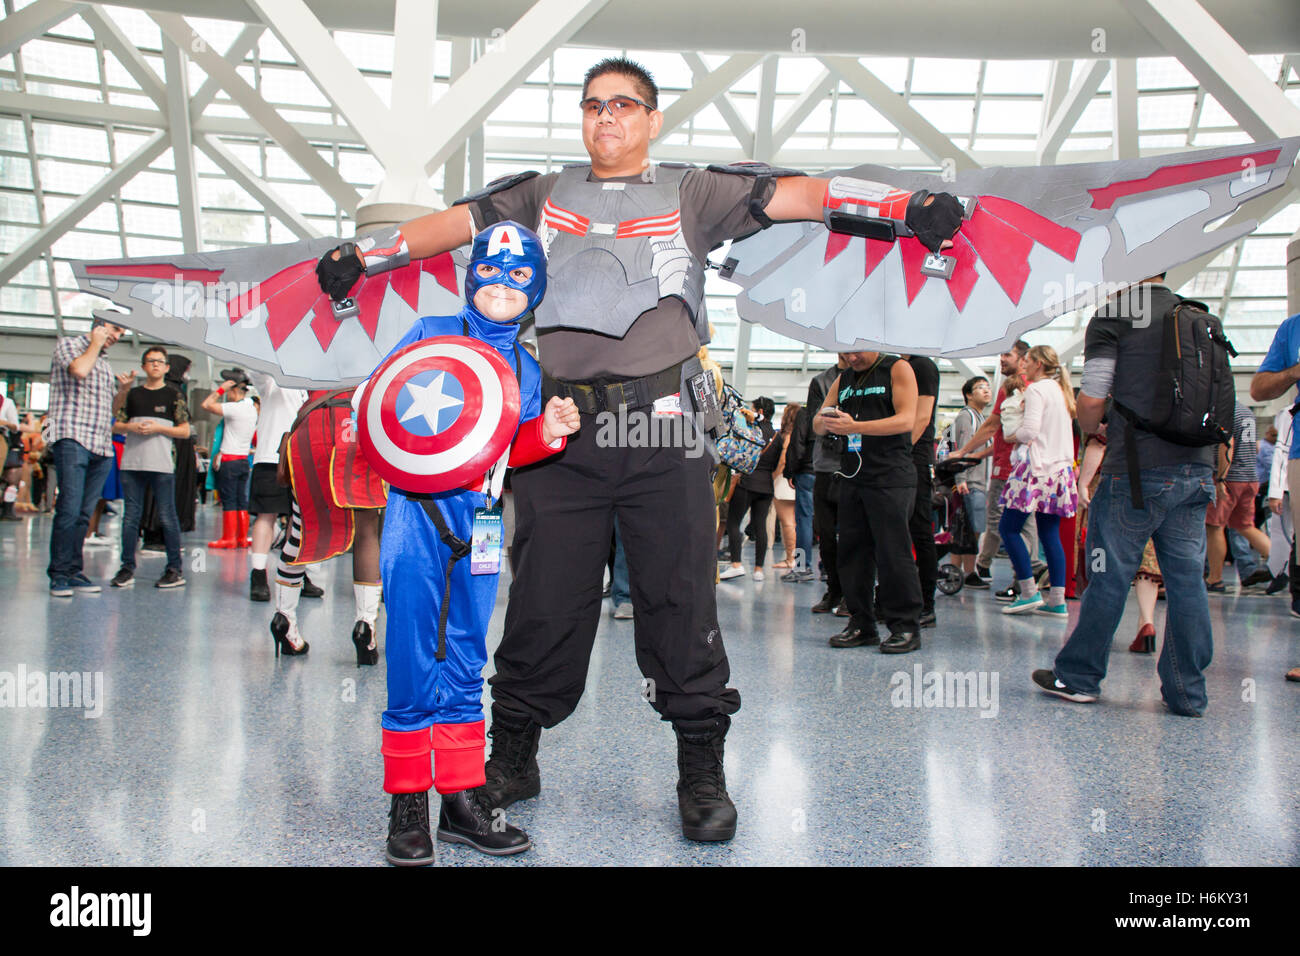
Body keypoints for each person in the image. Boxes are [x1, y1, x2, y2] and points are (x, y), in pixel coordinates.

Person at [315, 56, 963, 842]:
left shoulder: (695, 189)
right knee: (544, 596)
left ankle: (701, 770)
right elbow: (447, 228)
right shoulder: (537, 193)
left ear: (653, 119)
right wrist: (366, 257)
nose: (607, 118)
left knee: (680, 597)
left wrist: (908, 205)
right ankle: (512, 753)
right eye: (592, 106)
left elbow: (810, 197)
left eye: (624, 105)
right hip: (559, 432)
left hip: (665, 428)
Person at [353, 221, 579, 864]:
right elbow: (380, 401)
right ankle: (406, 801)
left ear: (535, 289)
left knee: (465, 656)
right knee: (410, 650)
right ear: (470, 272)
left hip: (480, 521)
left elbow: (510, 451)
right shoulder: (430, 333)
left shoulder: (527, 367)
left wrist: (551, 430)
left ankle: (459, 797)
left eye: (519, 275)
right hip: (415, 515)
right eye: (491, 270)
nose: (503, 285)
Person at [1035, 275, 1216, 716]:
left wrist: (1091, 425)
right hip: (1196, 469)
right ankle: (1188, 693)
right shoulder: (1198, 316)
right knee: (1188, 580)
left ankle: (1078, 677)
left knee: (1108, 572)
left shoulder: (1113, 317)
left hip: (1136, 472)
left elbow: (1094, 396)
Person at [814, 350, 922, 653]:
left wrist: (856, 427)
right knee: (852, 553)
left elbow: (906, 420)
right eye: (845, 352)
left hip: (889, 475)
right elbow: (817, 422)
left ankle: (905, 626)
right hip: (852, 475)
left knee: (893, 553)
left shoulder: (896, 368)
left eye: (857, 350)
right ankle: (862, 624)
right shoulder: (844, 378)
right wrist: (827, 421)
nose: (851, 357)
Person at [954, 340, 1048, 595]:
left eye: (1008, 355)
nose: (1002, 360)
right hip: (1026, 468)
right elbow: (1003, 436)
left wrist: (963, 452)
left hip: (1007, 470)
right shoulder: (1038, 388)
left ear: (1023, 359)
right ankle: (1023, 579)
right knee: (1026, 524)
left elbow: (993, 427)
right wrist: (977, 455)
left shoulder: (1012, 387)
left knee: (1001, 525)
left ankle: (1031, 569)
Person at [46, 318, 128, 595]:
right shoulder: (69, 346)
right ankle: (58, 574)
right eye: (115, 329)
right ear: (100, 325)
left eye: (121, 332)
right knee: (69, 508)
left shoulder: (104, 364)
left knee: (84, 514)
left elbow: (111, 410)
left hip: (101, 444)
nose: (118, 336)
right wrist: (95, 342)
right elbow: (79, 370)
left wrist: (123, 391)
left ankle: (73, 570)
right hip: (72, 437)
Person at [999, 345, 1078, 617]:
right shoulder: (1060, 390)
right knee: (1049, 534)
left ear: (1038, 364)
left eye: (1027, 360)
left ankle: (1029, 592)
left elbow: (1030, 430)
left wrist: (1012, 434)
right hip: (1060, 470)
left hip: (1035, 467)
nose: (1024, 365)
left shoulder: (1035, 390)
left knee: (1008, 528)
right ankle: (1057, 599)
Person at [108, 346, 190, 589]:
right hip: (132, 463)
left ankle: (174, 568)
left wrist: (159, 428)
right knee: (131, 517)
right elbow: (116, 423)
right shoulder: (132, 395)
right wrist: (131, 426)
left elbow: (184, 430)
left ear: (166, 367)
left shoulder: (174, 395)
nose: (155, 365)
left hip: (162, 464)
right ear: (143, 366)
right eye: (150, 361)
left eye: (160, 361)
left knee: (167, 516)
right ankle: (126, 567)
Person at [245, 370, 307, 601]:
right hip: (271, 458)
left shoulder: (311, 383)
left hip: (303, 459)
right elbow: (254, 365)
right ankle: (258, 574)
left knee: (299, 519)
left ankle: (295, 572)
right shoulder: (271, 379)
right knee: (266, 515)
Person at [1204, 399, 1270, 592]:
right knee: (1245, 526)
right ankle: (1282, 567)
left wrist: (1221, 478)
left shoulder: (1222, 409)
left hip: (1231, 477)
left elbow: (1228, 444)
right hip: (1250, 477)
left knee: (1214, 526)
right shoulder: (1246, 411)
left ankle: (1214, 578)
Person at [807, 355, 850, 612]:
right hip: (825, 465)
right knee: (826, 536)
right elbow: (816, 423)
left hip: (854, 466)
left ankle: (851, 594)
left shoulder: (870, 379)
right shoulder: (822, 381)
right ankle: (833, 591)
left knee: (852, 536)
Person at [721, 397, 778, 581]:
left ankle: (736, 564)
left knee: (733, 522)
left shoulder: (751, 430)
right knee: (760, 525)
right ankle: (759, 570)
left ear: (759, 412)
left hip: (746, 482)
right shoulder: (777, 436)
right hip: (766, 485)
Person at [200, 369, 257, 549]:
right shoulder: (251, 410)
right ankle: (241, 538)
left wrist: (220, 389)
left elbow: (206, 404)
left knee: (229, 501)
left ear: (233, 389)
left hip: (229, 462)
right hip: (242, 462)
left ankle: (228, 538)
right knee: (241, 501)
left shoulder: (234, 408)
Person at [906, 354, 941, 628]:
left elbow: (922, 416)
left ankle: (927, 604)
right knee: (897, 531)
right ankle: (898, 596)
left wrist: (901, 450)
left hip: (915, 459)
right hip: (900, 459)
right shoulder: (899, 366)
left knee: (920, 529)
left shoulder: (923, 366)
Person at [948, 375, 992, 585]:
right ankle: (965, 572)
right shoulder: (967, 416)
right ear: (968, 394)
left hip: (978, 482)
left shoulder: (981, 417)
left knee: (969, 527)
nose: (986, 390)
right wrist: (961, 478)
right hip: (970, 482)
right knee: (970, 527)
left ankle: (960, 571)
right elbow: (963, 445)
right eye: (980, 387)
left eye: (988, 387)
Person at [781, 398, 816, 583]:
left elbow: (798, 444)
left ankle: (803, 566)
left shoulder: (806, 413)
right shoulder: (837, 408)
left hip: (806, 472)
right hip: (831, 472)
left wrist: (790, 472)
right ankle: (828, 569)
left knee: (804, 521)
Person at [772, 402, 802, 573]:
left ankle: (791, 559)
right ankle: (796, 559)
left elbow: (783, 458)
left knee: (788, 523)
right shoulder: (801, 434)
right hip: (797, 481)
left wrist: (775, 474)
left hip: (783, 482)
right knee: (797, 522)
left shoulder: (788, 436)